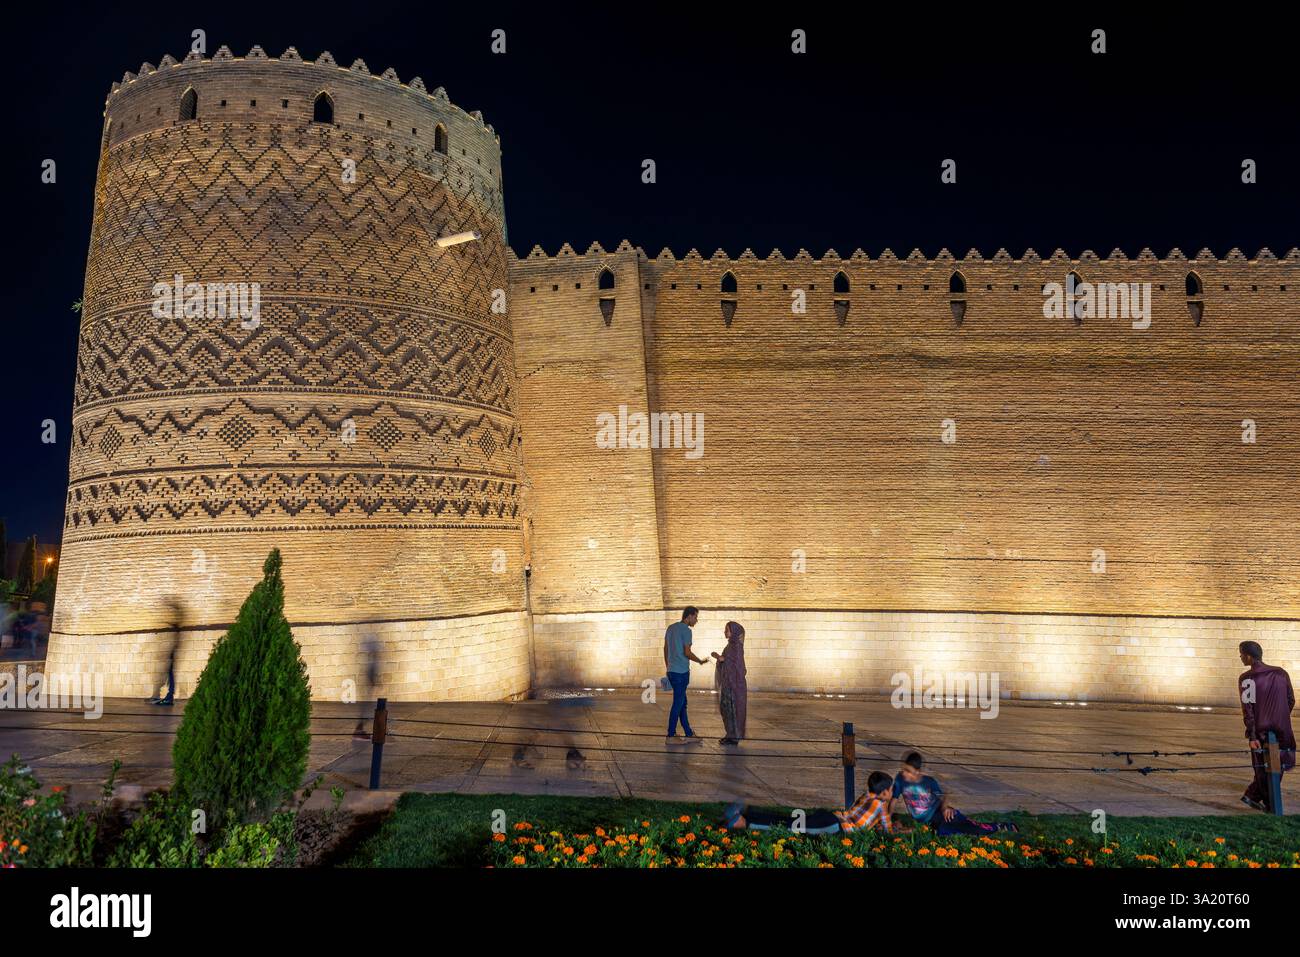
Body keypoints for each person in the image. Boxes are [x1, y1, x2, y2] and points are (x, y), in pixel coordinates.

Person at [722, 771, 903, 834]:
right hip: (835, 827)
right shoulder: (881, 806)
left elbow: (855, 816)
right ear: (885, 792)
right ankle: (742, 821)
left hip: (831, 818)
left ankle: (744, 817)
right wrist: (897, 829)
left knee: (789, 821)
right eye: (891, 789)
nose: (893, 792)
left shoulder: (867, 796)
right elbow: (881, 830)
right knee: (790, 826)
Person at [892, 752, 1018, 835]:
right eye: (904, 769)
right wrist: (889, 820)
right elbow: (893, 800)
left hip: (938, 814)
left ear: (917, 772)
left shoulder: (929, 782)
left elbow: (943, 796)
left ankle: (1002, 826)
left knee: (967, 827)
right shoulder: (900, 779)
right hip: (926, 821)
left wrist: (946, 808)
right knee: (941, 831)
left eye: (908, 771)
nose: (904, 773)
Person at [1238, 641, 1296, 812]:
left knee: (1262, 766)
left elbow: (1248, 709)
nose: (1240, 657)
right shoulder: (1281, 673)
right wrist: (1280, 716)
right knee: (1277, 765)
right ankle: (1265, 802)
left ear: (1248, 656)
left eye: (1241, 654)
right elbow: (1291, 700)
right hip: (1283, 728)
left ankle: (1255, 796)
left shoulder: (1247, 678)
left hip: (1261, 730)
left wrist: (1252, 735)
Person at [664, 606, 709, 744]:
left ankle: (688, 733)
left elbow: (665, 649)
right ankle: (670, 736)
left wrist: (668, 666)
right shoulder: (687, 631)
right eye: (695, 617)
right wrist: (700, 661)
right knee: (678, 704)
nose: (696, 620)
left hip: (672, 671)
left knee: (682, 703)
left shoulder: (670, 628)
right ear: (688, 616)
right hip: (681, 673)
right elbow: (687, 652)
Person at [711, 620, 748, 745]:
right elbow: (727, 661)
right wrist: (721, 660)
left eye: (727, 630)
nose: (725, 632)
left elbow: (738, 666)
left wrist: (720, 658)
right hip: (728, 684)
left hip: (735, 685)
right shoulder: (729, 646)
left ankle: (734, 736)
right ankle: (730, 734)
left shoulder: (736, 646)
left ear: (734, 632)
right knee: (727, 709)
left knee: (733, 710)